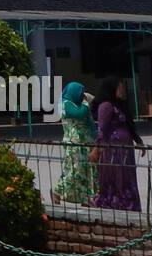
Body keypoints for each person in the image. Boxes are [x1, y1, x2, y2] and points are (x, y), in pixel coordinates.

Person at [90, 78, 142, 211]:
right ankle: (110, 202)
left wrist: (138, 140)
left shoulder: (120, 104)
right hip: (112, 150)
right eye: (119, 87)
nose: (122, 90)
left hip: (124, 150)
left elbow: (129, 125)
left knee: (126, 175)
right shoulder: (106, 106)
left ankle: (128, 204)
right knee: (116, 176)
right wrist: (97, 148)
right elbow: (102, 128)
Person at [52, 81, 96, 206]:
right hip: (75, 144)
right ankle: (57, 191)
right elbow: (79, 114)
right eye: (81, 93)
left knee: (86, 171)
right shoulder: (66, 104)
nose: (83, 95)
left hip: (85, 143)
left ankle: (85, 197)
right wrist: (86, 103)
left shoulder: (78, 105)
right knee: (75, 170)